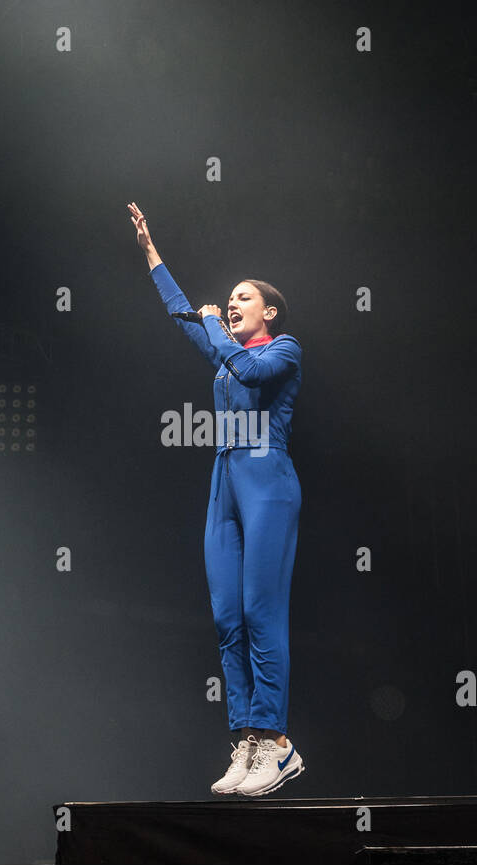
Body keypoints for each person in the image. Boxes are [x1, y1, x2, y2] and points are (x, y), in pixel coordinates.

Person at [126, 201, 305, 796]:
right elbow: (183, 314)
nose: (231, 304)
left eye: (243, 298)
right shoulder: (225, 351)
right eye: (228, 299)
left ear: (269, 311)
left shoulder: (282, 350)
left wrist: (214, 330)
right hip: (224, 480)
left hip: (268, 481)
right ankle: (247, 739)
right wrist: (152, 251)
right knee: (227, 618)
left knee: (260, 611)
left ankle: (278, 744)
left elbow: (249, 376)